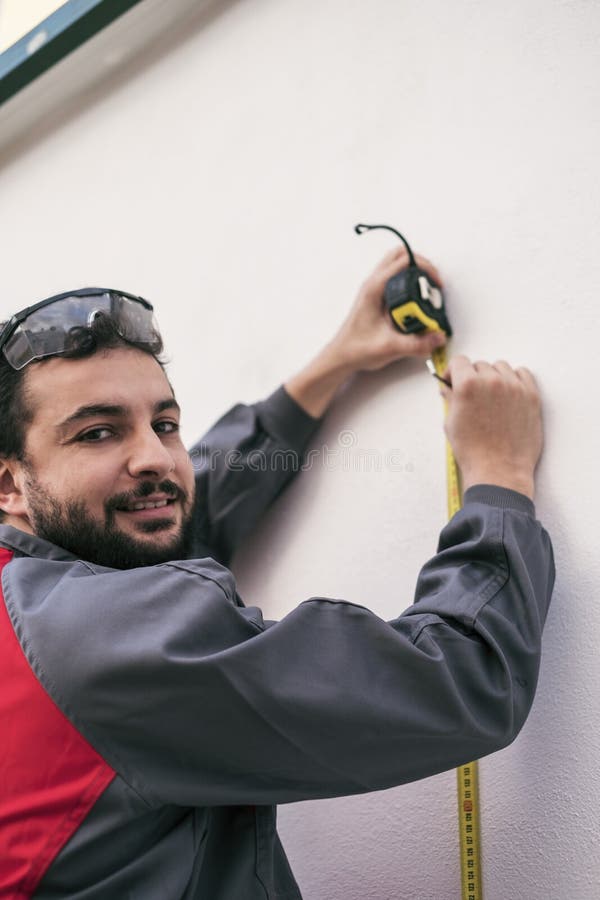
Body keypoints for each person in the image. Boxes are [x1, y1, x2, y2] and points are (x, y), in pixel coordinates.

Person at [0, 246, 554, 900]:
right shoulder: (102, 643)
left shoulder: (31, 588)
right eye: (97, 433)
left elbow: (170, 505)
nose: (154, 458)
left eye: (166, 423)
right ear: (10, 484)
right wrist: (499, 478)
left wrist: (336, 362)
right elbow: (464, 682)